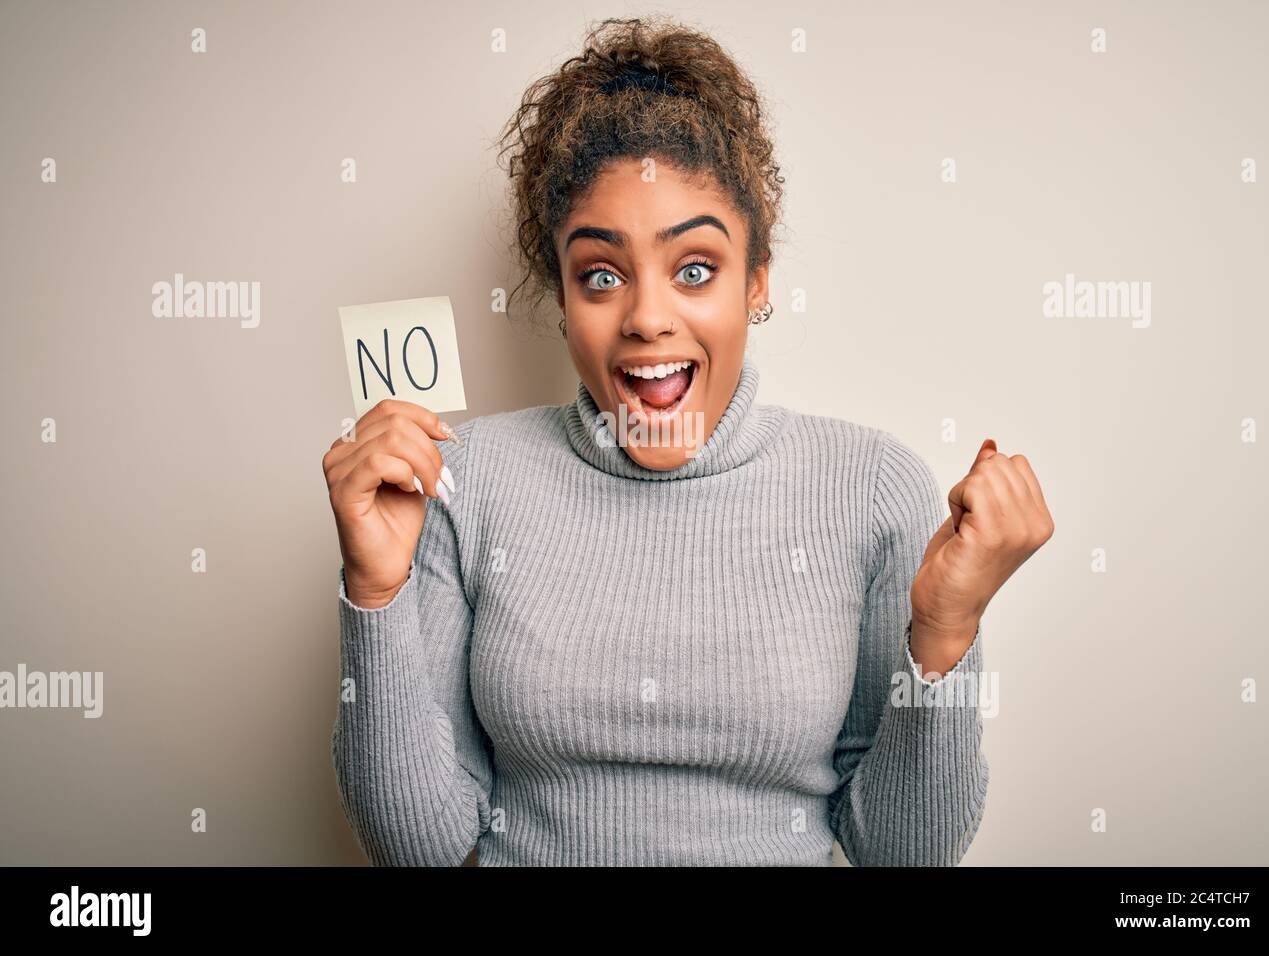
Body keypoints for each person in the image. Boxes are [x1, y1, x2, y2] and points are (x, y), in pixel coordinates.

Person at [322, 15, 1053, 866]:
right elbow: (420, 850)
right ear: (562, 300)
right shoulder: (462, 480)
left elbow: (902, 852)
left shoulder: (869, 485)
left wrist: (946, 630)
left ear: (757, 284)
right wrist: (375, 589)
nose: (647, 318)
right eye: (601, 275)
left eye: (696, 269)